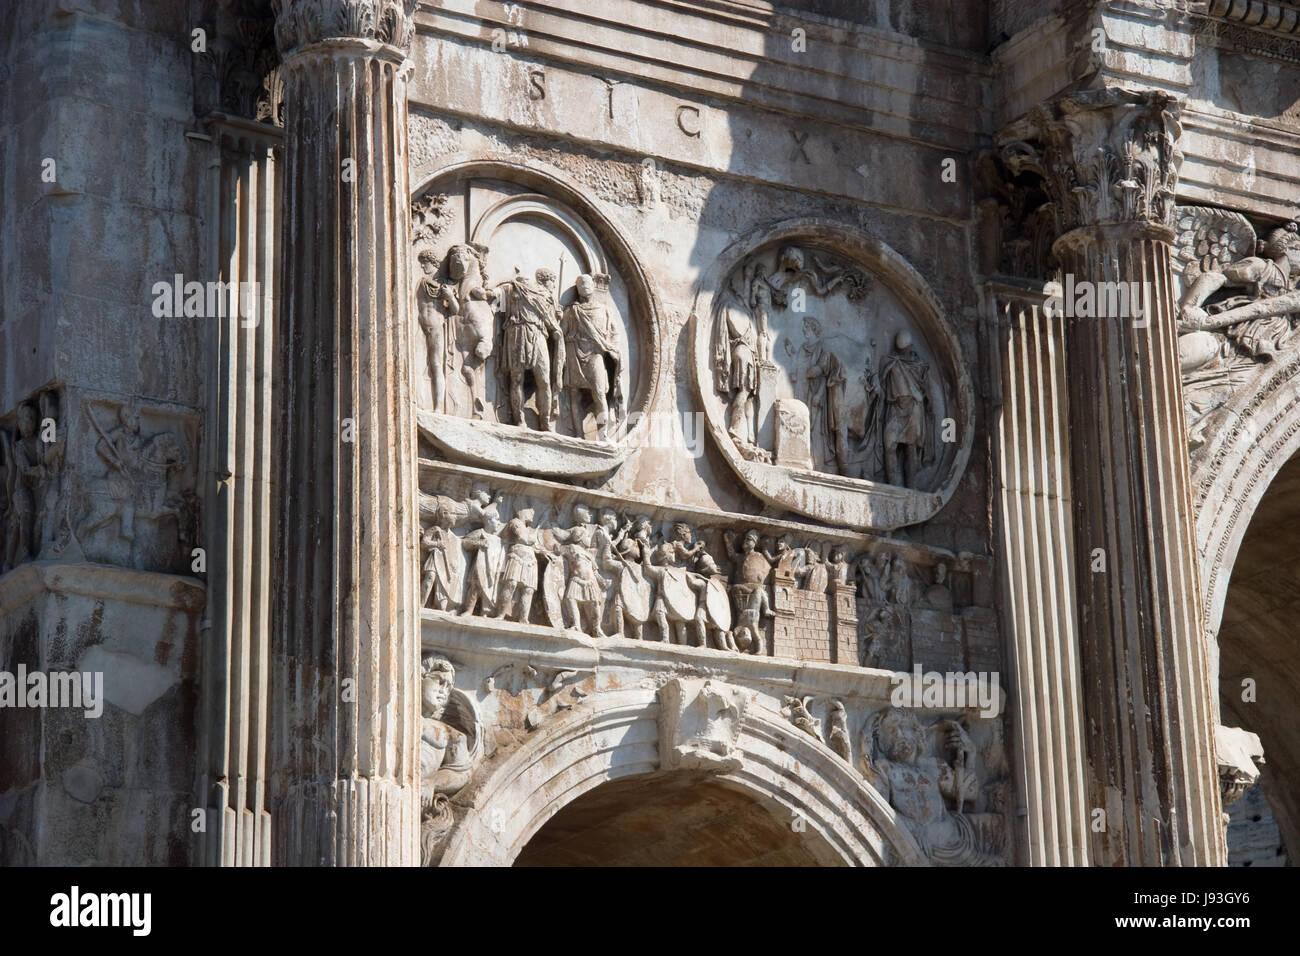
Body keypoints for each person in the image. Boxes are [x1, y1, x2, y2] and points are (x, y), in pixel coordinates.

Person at [562, 274, 622, 439]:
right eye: (580, 283)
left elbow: (614, 333)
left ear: (593, 287)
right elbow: (561, 332)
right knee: (574, 393)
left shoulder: (603, 309)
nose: (583, 285)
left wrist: (611, 348)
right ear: (577, 288)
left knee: (599, 392)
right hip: (574, 352)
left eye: (586, 283)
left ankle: (602, 434)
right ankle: (578, 434)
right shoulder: (571, 310)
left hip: (595, 354)